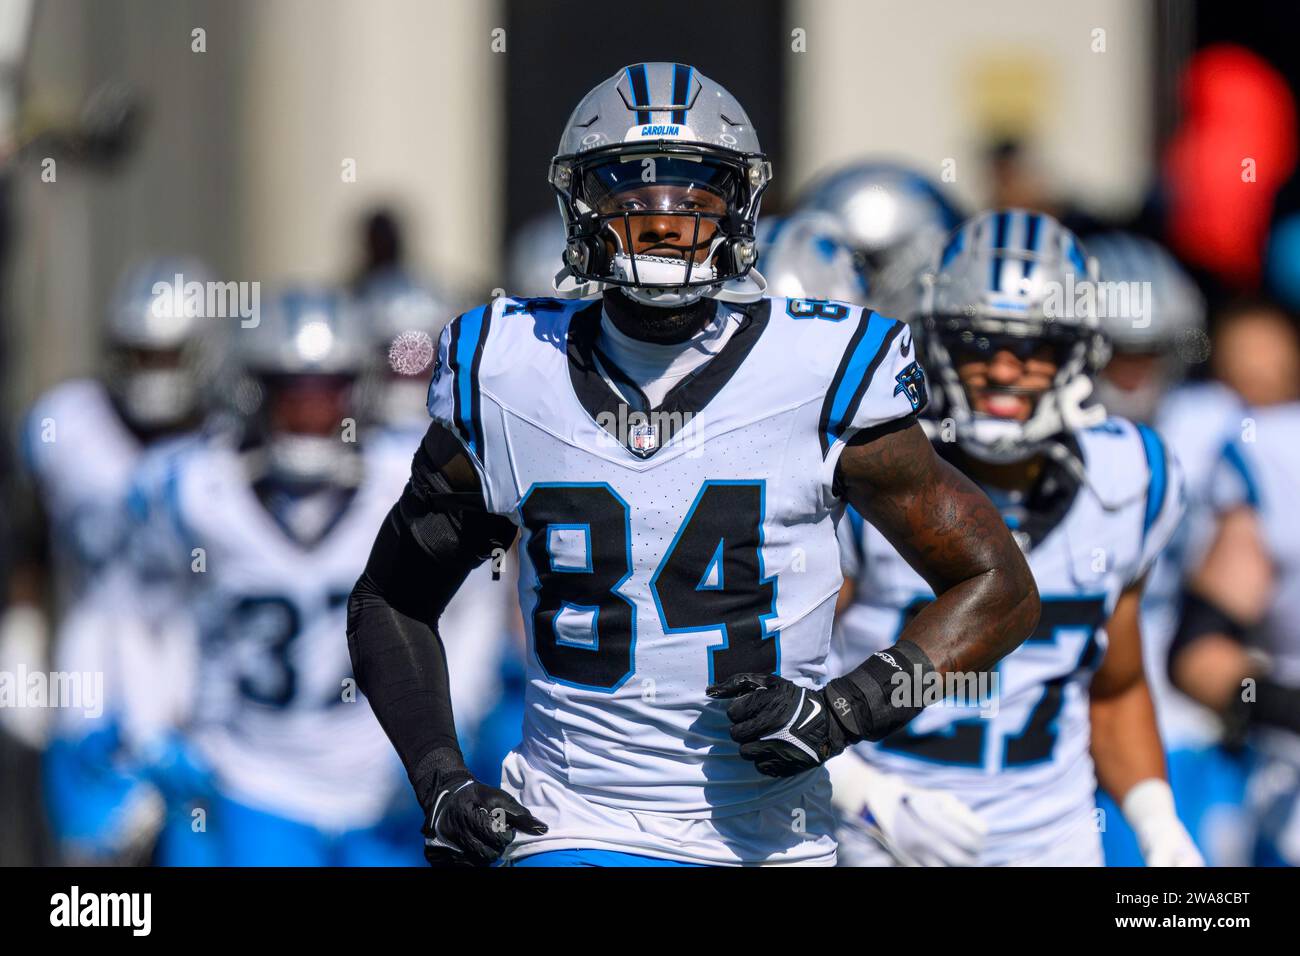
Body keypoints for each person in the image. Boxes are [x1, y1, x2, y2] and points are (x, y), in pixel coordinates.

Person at [347, 63, 1039, 867]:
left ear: (739, 208)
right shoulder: (505, 369)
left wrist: (846, 709)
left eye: (695, 194)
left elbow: (1001, 588)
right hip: (576, 826)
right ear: (582, 207)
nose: (667, 221)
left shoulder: (823, 366)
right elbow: (391, 598)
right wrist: (440, 782)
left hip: (775, 842)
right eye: (632, 196)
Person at [831, 210, 1202, 866]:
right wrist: (860, 794)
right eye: (979, 341)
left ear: (1081, 350)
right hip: (879, 838)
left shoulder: (1133, 477)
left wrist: (1157, 824)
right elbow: (771, 674)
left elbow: (1113, 688)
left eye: (1036, 346)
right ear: (938, 341)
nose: (1005, 369)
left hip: (1050, 842)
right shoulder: (868, 465)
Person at [124, 287, 421, 865]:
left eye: (327, 394)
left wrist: (438, 730)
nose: (312, 413)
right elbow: (138, 611)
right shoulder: (198, 491)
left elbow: (469, 610)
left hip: (381, 785)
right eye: (294, 396)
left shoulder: (401, 481)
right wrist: (150, 727)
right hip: (252, 780)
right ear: (256, 393)